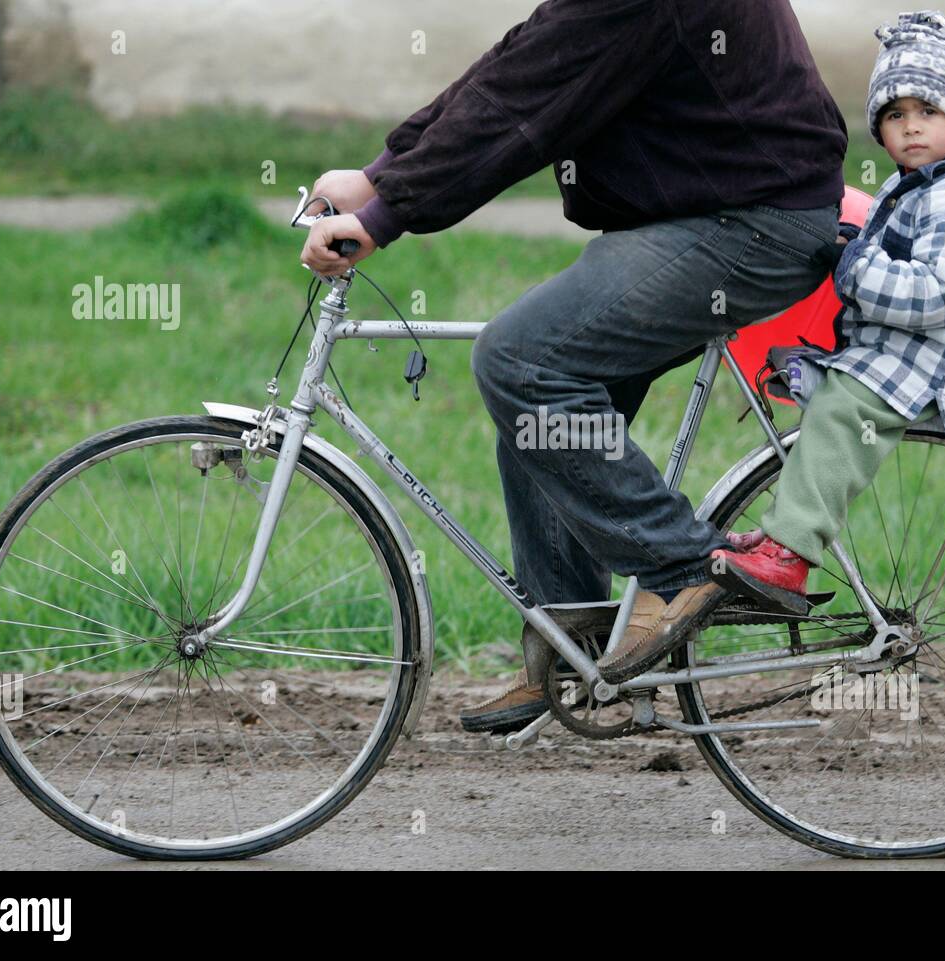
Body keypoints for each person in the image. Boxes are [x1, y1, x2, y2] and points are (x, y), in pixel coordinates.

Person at [298, 1, 850, 733]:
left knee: (523, 360)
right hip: (713, 205)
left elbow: (526, 106)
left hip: (748, 220)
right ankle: (573, 643)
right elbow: (521, 63)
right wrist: (383, 176)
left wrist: (385, 213)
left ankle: (694, 566)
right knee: (539, 397)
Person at [710, 11, 945, 619]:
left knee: (848, 405)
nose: (911, 129)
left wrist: (855, 268)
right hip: (919, 338)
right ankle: (788, 527)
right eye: (894, 115)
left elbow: (938, 292)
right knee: (824, 383)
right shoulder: (918, 184)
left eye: (927, 113)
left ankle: (792, 553)